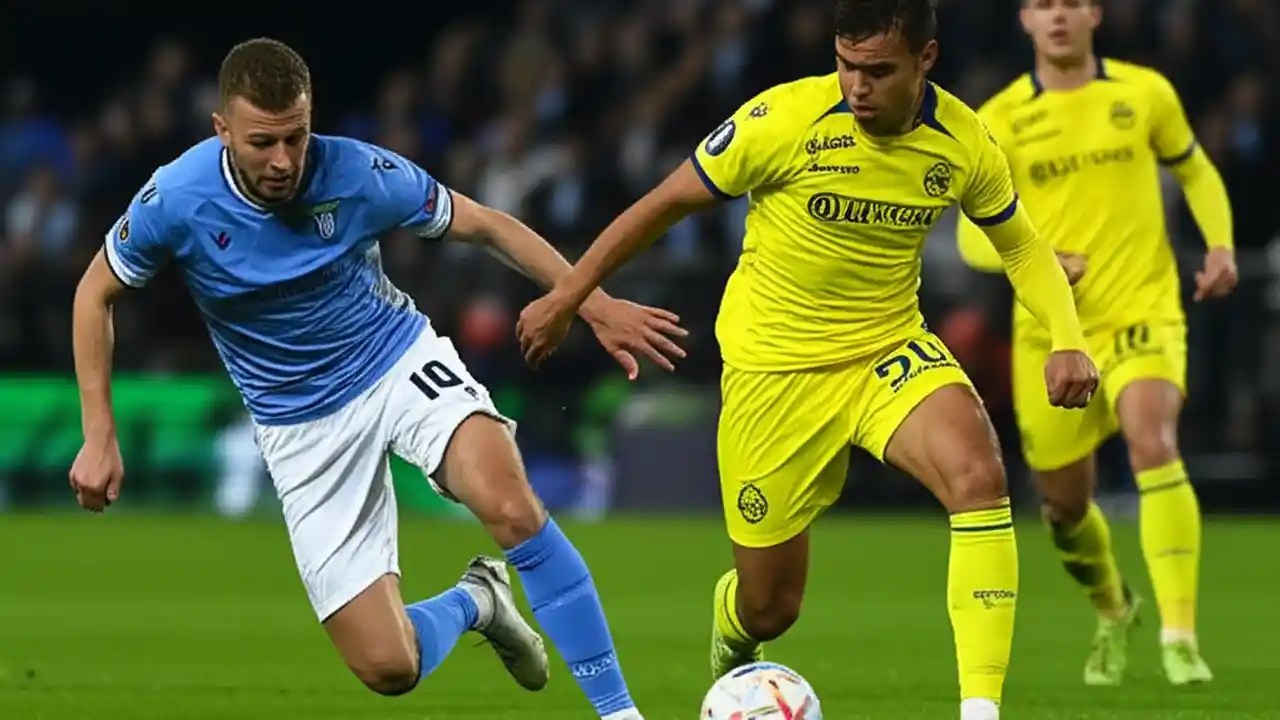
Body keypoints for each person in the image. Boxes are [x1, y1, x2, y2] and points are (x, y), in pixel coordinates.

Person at [67, 37, 688, 720]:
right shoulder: (176, 199)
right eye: (262, 142)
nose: (283, 161)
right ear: (222, 131)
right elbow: (93, 294)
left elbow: (484, 226)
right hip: (299, 427)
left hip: (395, 363)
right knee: (389, 667)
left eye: (296, 137)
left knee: (509, 505)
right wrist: (99, 434)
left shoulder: (359, 172)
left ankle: (620, 712)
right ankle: (478, 601)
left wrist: (589, 303)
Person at [517, 2, 1100, 718]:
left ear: (927, 59)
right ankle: (734, 639)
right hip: (776, 370)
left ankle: (980, 710)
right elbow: (664, 203)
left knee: (979, 476)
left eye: (878, 71)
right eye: (846, 66)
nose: (857, 86)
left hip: (888, 350)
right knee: (770, 608)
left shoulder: (964, 141)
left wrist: (1068, 338)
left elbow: (1020, 245)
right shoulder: (783, 121)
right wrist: (570, 297)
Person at [955, 0, 1235, 687]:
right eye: (1043, 5)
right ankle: (1115, 608)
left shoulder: (1144, 93)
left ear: (1095, 14)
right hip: (1053, 333)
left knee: (1152, 440)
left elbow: (1194, 169)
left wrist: (1221, 245)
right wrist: (1044, 259)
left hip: (1143, 307)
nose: (1058, 17)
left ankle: (1180, 637)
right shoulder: (998, 118)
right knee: (1064, 507)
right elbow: (969, 235)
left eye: (1071, 3)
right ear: (1023, 19)